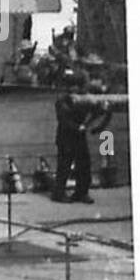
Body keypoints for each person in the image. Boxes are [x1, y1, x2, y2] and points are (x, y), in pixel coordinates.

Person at [52, 72, 100, 204]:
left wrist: (88, 122)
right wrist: (79, 127)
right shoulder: (63, 100)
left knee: (84, 164)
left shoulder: (84, 99)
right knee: (64, 166)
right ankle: (58, 193)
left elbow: (96, 110)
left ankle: (81, 192)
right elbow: (63, 119)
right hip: (66, 136)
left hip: (79, 135)